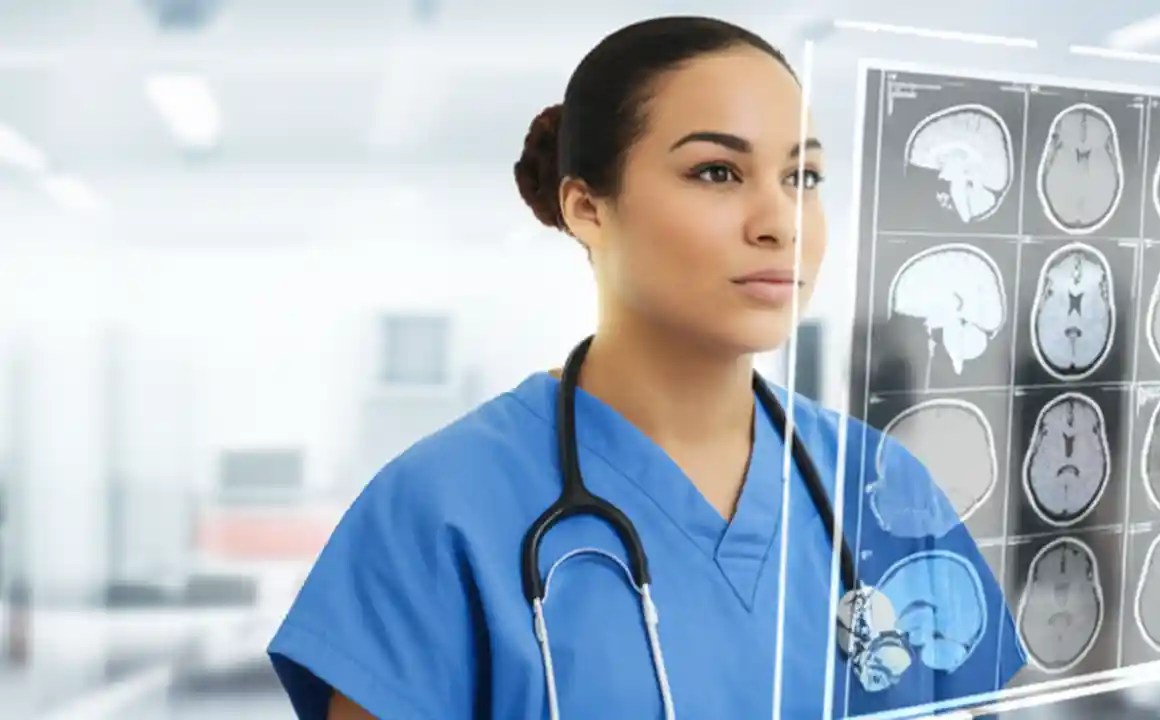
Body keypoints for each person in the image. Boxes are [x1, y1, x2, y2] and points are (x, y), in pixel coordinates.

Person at [267, 15, 1026, 719]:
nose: (781, 223)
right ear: (587, 208)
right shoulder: (439, 510)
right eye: (717, 172)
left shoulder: (882, 490)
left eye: (803, 178)